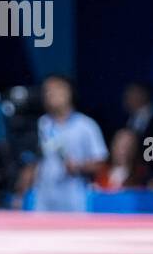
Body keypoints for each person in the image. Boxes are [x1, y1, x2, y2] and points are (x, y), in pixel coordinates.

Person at [29, 75, 108, 212]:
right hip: (44, 198)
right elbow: (35, 160)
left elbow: (100, 162)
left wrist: (79, 166)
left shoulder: (86, 125)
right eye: (47, 91)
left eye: (56, 90)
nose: (50, 95)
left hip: (74, 197)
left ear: (68, 92)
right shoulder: (42, 124)